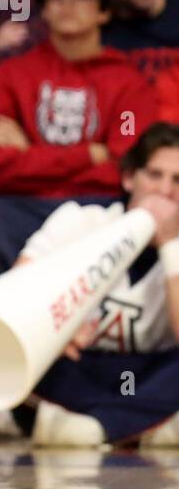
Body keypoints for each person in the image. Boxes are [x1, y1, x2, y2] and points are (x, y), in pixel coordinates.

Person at [0, 0, 159, 289]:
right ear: (44, 7)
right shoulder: (11, 75)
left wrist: (30, 151)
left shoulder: (127, 82)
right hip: (18, 203)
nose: (67, 3)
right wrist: (89, 153)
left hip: (98, 203)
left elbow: (124, 165)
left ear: (104, 10)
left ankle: (88, 342)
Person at [14, 122, 179, 449]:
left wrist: (170, 245)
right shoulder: (81, 219)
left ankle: (95, 425)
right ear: (129, 177)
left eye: (178, 181)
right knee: (24, 353)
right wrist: (53, 328)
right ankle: (141, 426)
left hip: (150, 372)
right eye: (154, 175)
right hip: (78, 364)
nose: (165, 191)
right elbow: (20, 289)